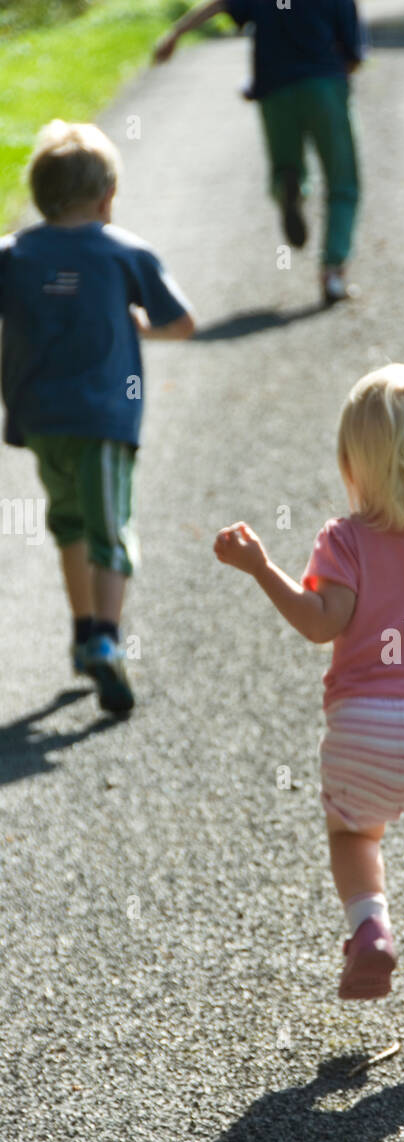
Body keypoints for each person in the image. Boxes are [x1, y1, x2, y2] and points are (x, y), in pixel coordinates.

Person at [214, 364, 404, 1049]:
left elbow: (320, 622)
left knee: (354, 835)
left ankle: (370, 923)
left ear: (353, 463)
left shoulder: (343, 541)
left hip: (364, 730)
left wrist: (263, 567)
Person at [0, 121, 195, 715]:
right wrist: (142, 326)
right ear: (107, 197)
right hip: (104, 420)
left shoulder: (14, 254)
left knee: (68, 523)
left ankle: (83, 630)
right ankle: (107, 638)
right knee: (110, 530)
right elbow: (182, 322)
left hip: (39, 420)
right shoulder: (124, 252)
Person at [154, 0, 364, 304]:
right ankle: (333, 271)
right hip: (324, 86)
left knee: (285, 165)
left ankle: (288, 188)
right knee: (343, 181)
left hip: (274, 89)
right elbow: (353, 56)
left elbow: (220, 4)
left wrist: (175, 33)